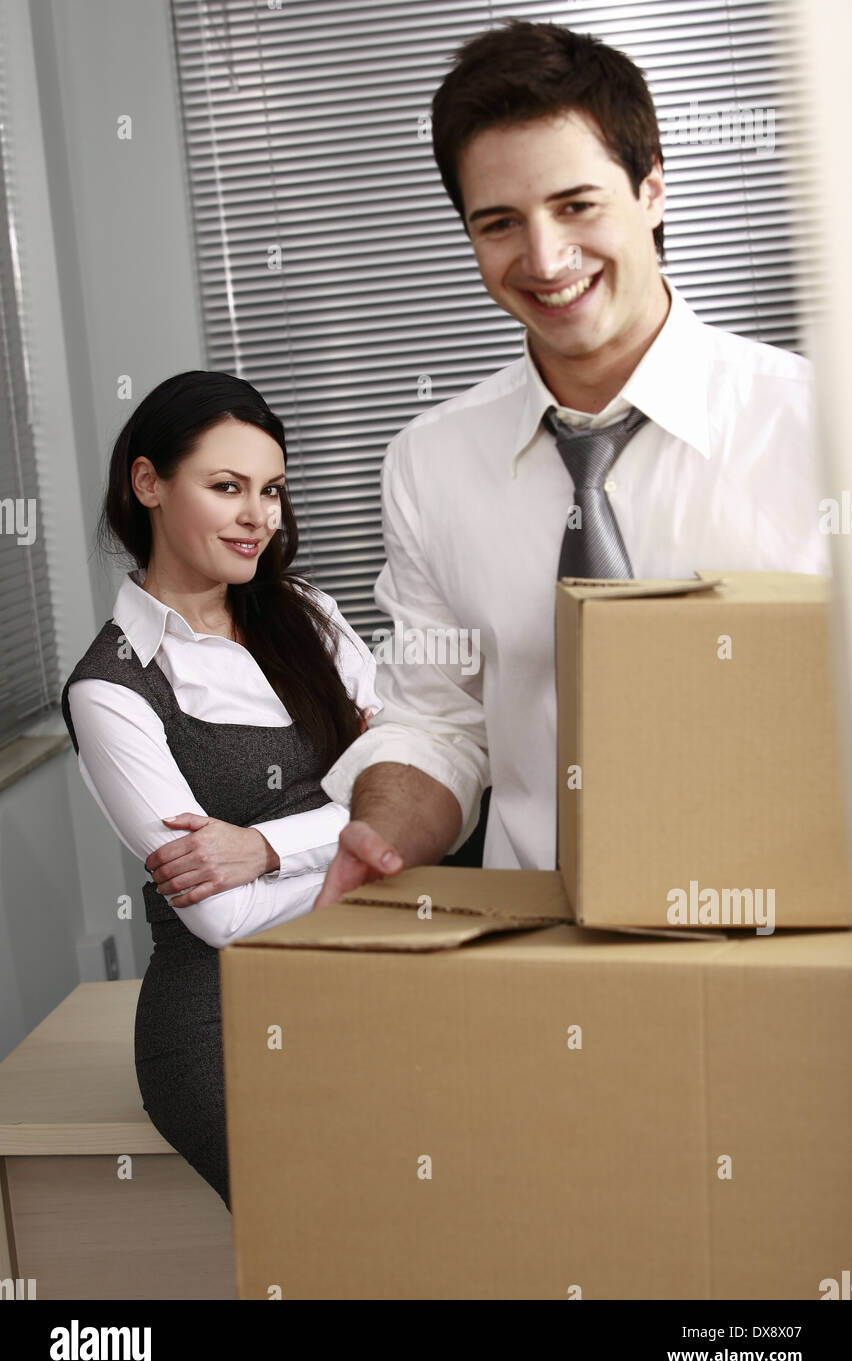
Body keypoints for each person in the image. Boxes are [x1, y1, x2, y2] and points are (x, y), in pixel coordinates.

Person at [311, 18, 830, 906]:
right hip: (546, 951)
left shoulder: (823, 426)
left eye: (577, 205)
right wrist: (382, 833)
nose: (545, 260)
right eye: (500, 222)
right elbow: (440, 720)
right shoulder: (430, 465)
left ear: (653, 192)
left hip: (794, 936)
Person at [60, 370, 381, 1209]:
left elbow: (405, 789)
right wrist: (359, 839)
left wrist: (266, 847)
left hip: (373, 979)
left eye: (271, 490)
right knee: (325, 1238)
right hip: (220, 1021)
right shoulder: (112, 691)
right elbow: (220, 915)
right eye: (227, 488)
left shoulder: (307, 612)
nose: (259, 518)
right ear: (149, 483)